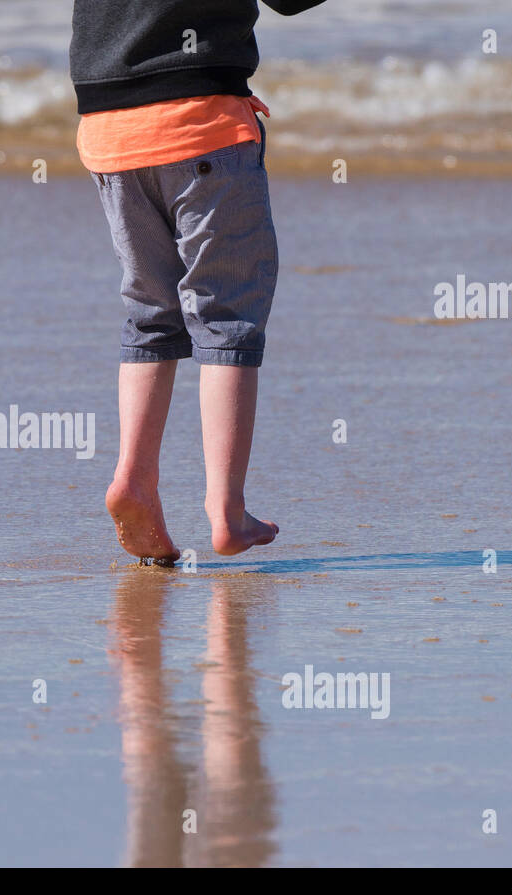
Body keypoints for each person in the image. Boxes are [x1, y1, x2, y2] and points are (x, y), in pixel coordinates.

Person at [70, 0, 326, 561]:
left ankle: (134, 477)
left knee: (150, 310)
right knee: (226, 315)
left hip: (109, 131)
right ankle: (226, 509)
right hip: (201, 126)